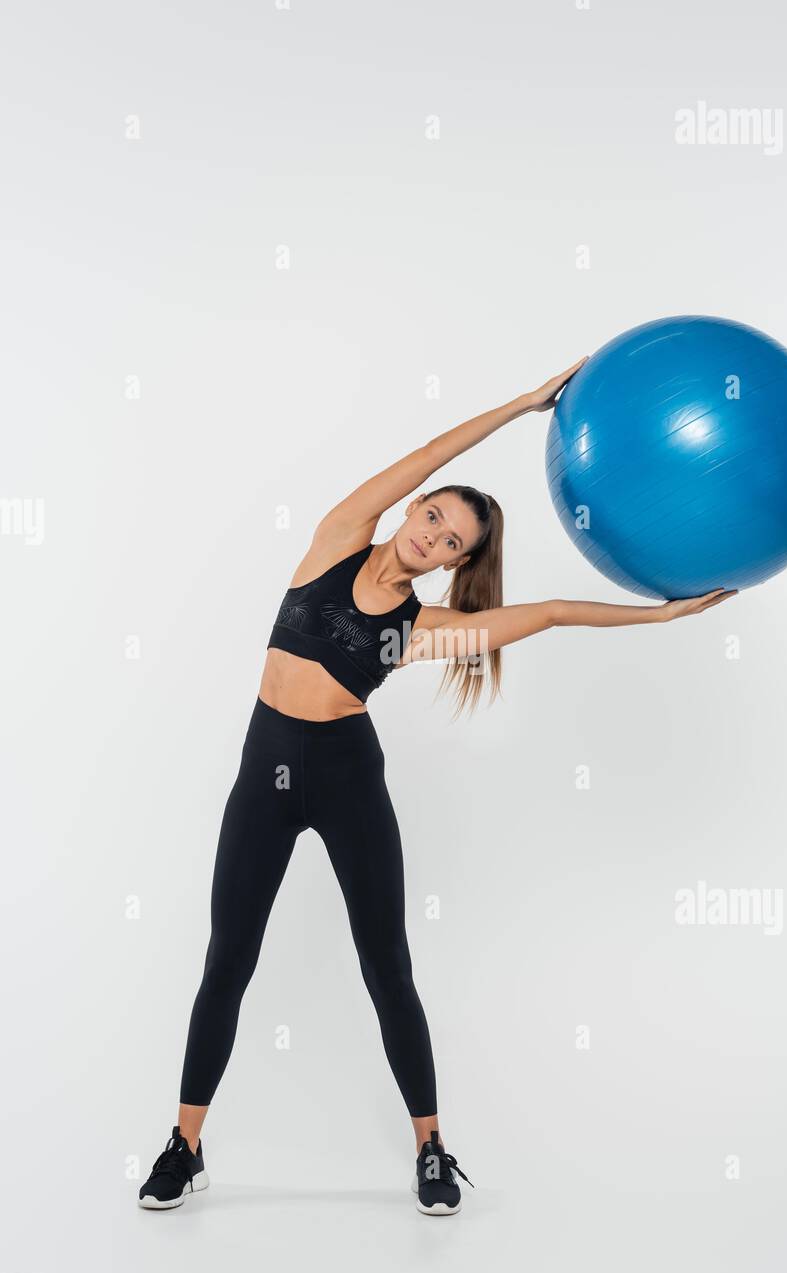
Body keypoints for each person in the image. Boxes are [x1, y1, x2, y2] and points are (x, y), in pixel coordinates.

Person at [138, 358, 735, 1216]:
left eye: (452, 542)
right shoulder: (337, 537)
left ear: (455, 564)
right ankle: (185, 1146)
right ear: (411, 512)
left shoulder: (417, 632)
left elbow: (554, 614)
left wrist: (660, 616)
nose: (432, 536)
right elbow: (424, 452)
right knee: (227, 959)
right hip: (261, 776)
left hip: (347, 780)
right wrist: (525, 404)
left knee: (386, 964)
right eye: (433, 517)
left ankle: (430, 1149)